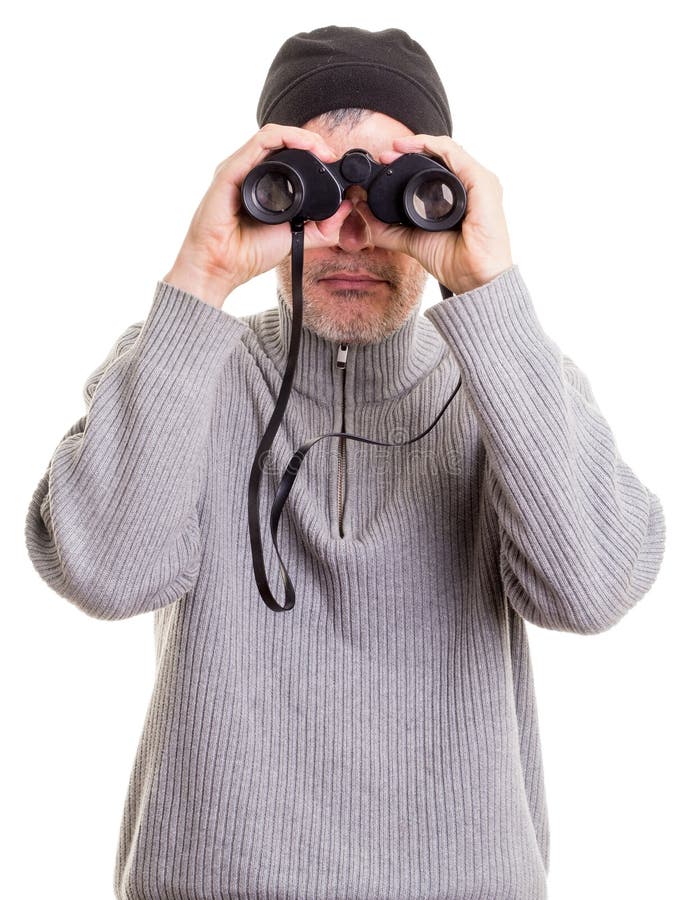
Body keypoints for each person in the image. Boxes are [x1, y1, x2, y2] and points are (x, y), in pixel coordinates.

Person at [24, 25, 666, 900]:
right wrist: (200, 279)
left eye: (396, 191)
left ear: (444, 195)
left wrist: (492, 295)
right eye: (312, 189)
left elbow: (591, 590)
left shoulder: (514, 384)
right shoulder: (181, 367)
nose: (352, 231)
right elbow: (105, 573)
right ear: (261, 189)